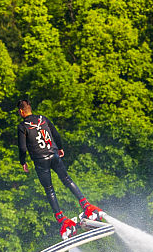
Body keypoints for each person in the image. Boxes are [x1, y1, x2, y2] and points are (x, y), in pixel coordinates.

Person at [17, 99, 101, 237]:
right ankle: (87, 206)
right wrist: (60, 148)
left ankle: (62, 219)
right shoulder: (43, 119)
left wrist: (22, 162)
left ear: (21, 111)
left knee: (49, 190)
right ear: (30, 108)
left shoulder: (22, 126)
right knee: (67, 180)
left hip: (40, 161)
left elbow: (22, 147)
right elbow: (55, 134)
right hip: (54, 155)